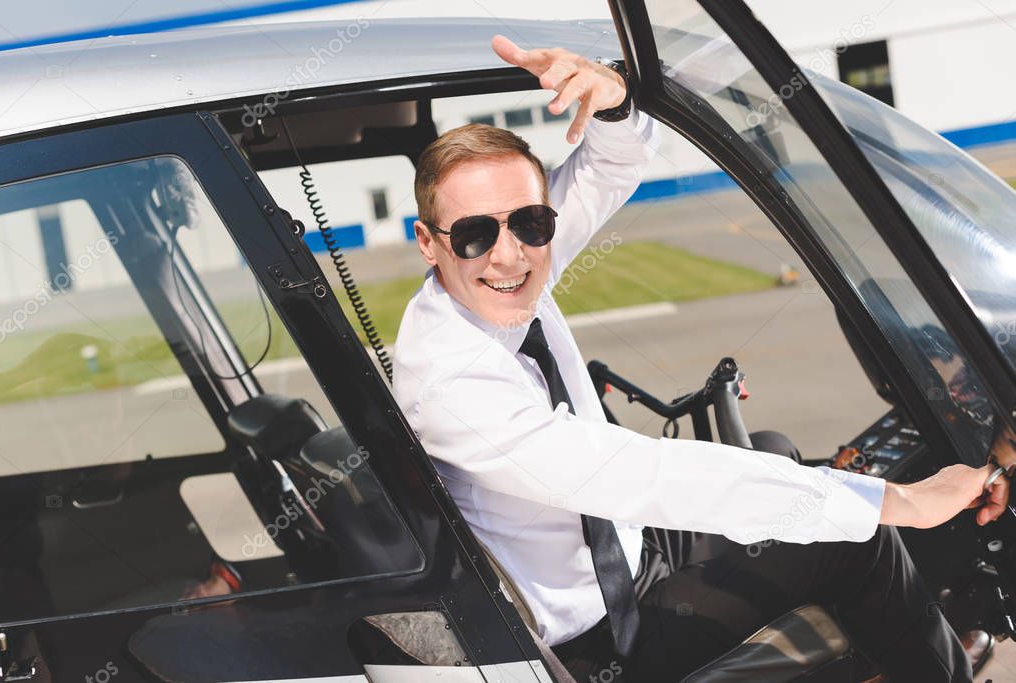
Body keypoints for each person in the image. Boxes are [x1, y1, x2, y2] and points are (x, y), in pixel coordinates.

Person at [392, 35, 1012, 682]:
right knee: (859, 532)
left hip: (628, 543)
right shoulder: (449, 378)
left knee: (773, 451)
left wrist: (613, 103)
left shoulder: (500, 268)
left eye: (530, 224)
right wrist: (901, 502)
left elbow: (608, 169)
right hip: (604, 631)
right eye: (472, 234)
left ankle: (906, 643)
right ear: (427, 244)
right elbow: (642, 474)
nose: (508, 255)